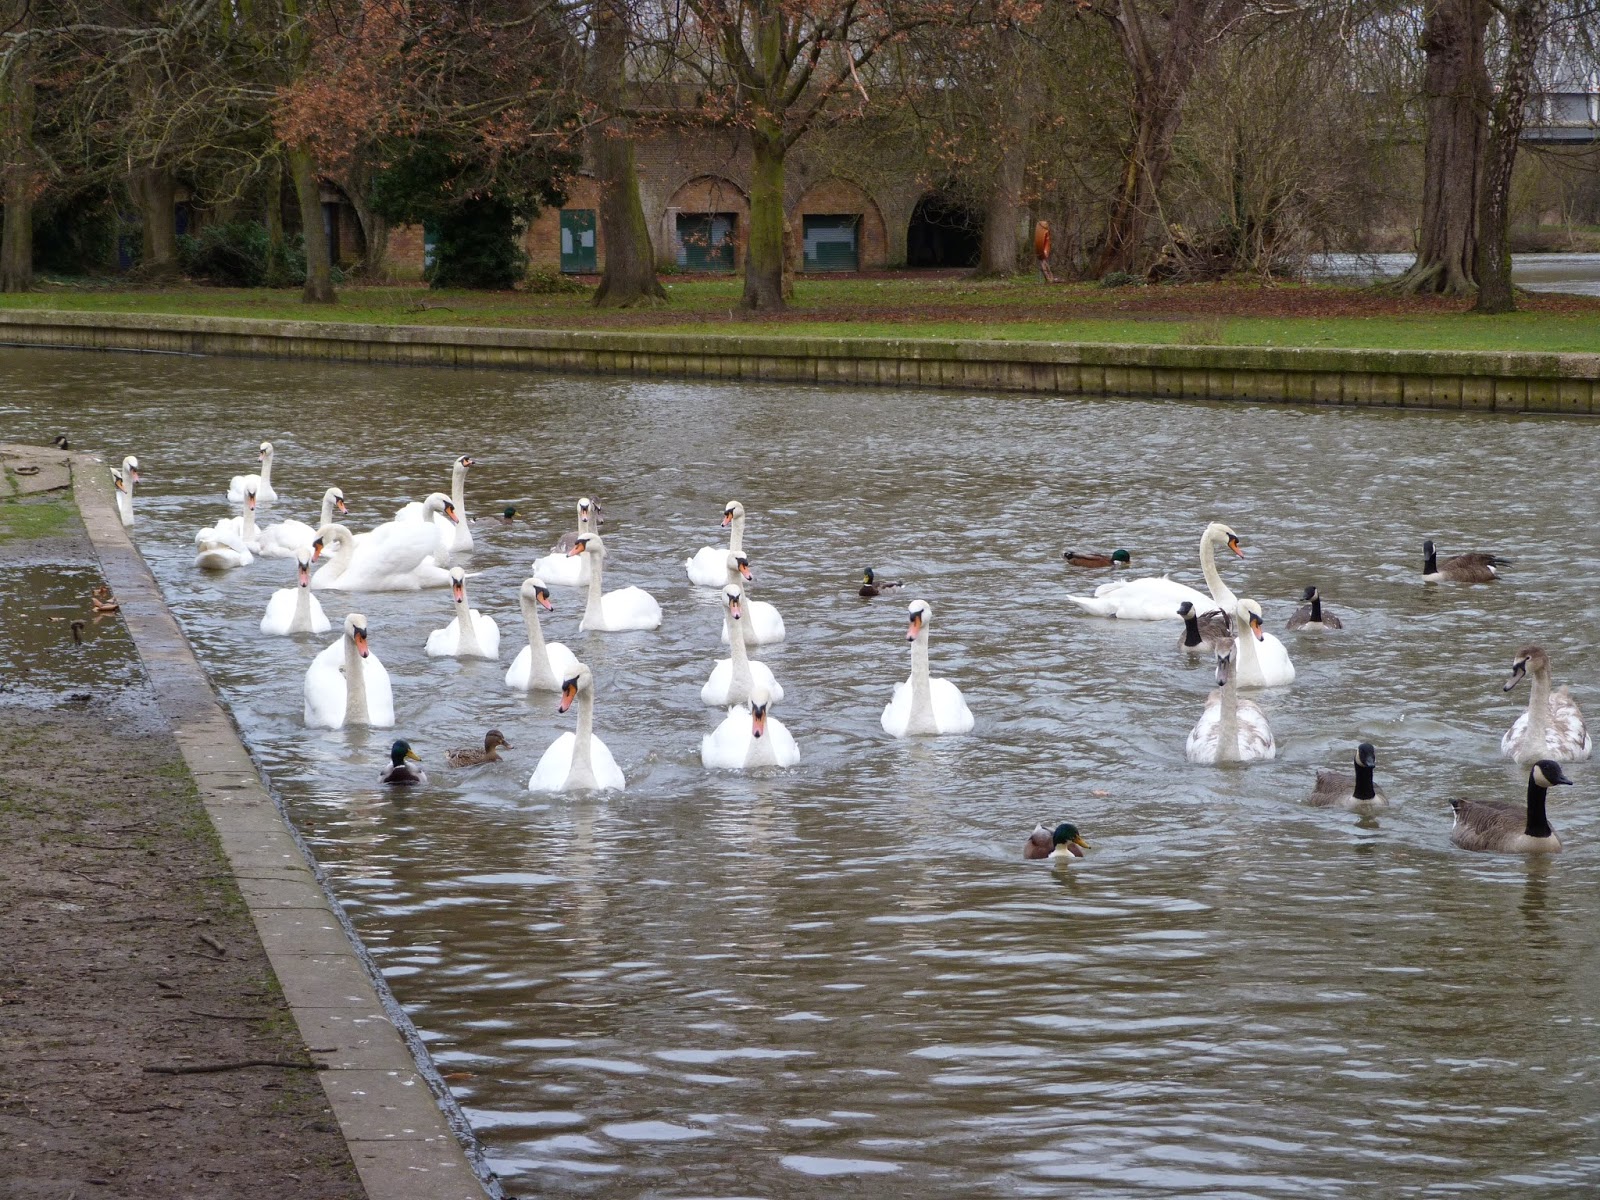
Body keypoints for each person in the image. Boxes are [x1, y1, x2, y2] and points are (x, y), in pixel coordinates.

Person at [1033, 219, 1055, 283]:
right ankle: (1048, 277)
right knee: (1042, 261)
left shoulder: (1045, 230)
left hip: (1043, 251)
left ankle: (1049, 277)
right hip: (1041, 251)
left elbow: (1047, 240)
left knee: (1043, 261)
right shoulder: (1041, 229)